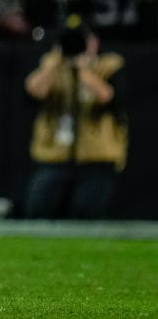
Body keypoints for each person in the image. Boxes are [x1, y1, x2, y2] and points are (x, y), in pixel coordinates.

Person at [24, 19, 127, 219]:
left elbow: (110, 99)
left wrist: (83, 69)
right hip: (54, 157)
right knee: (37, 210)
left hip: (97, 158)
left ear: (94, 41)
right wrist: (56, 62)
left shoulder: (109, 65)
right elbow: (32, 93)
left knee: (86, 213)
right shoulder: (51, 64)